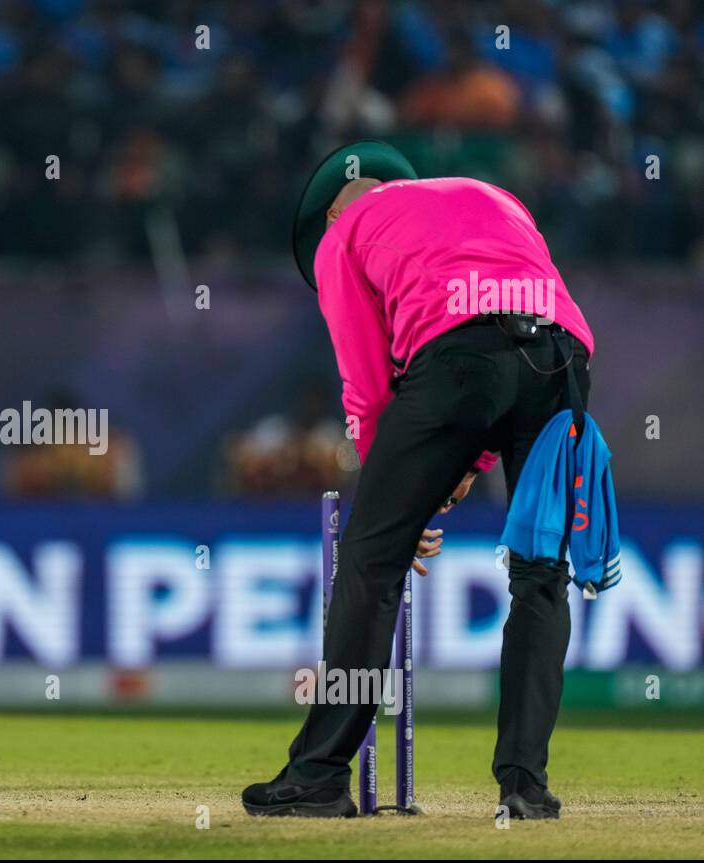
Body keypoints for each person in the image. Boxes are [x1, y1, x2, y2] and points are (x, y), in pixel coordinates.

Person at [242, 140, 594, 819]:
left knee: (372, 562)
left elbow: (369, 389)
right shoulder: (492, 194)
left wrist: (405, 501)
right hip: (565, 359)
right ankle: (525, 785)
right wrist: (464, 463)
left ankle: (318, 776)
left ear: (336, 210)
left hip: (457, 359)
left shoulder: (343, 236)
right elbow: (521, 331)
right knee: (542, 575)